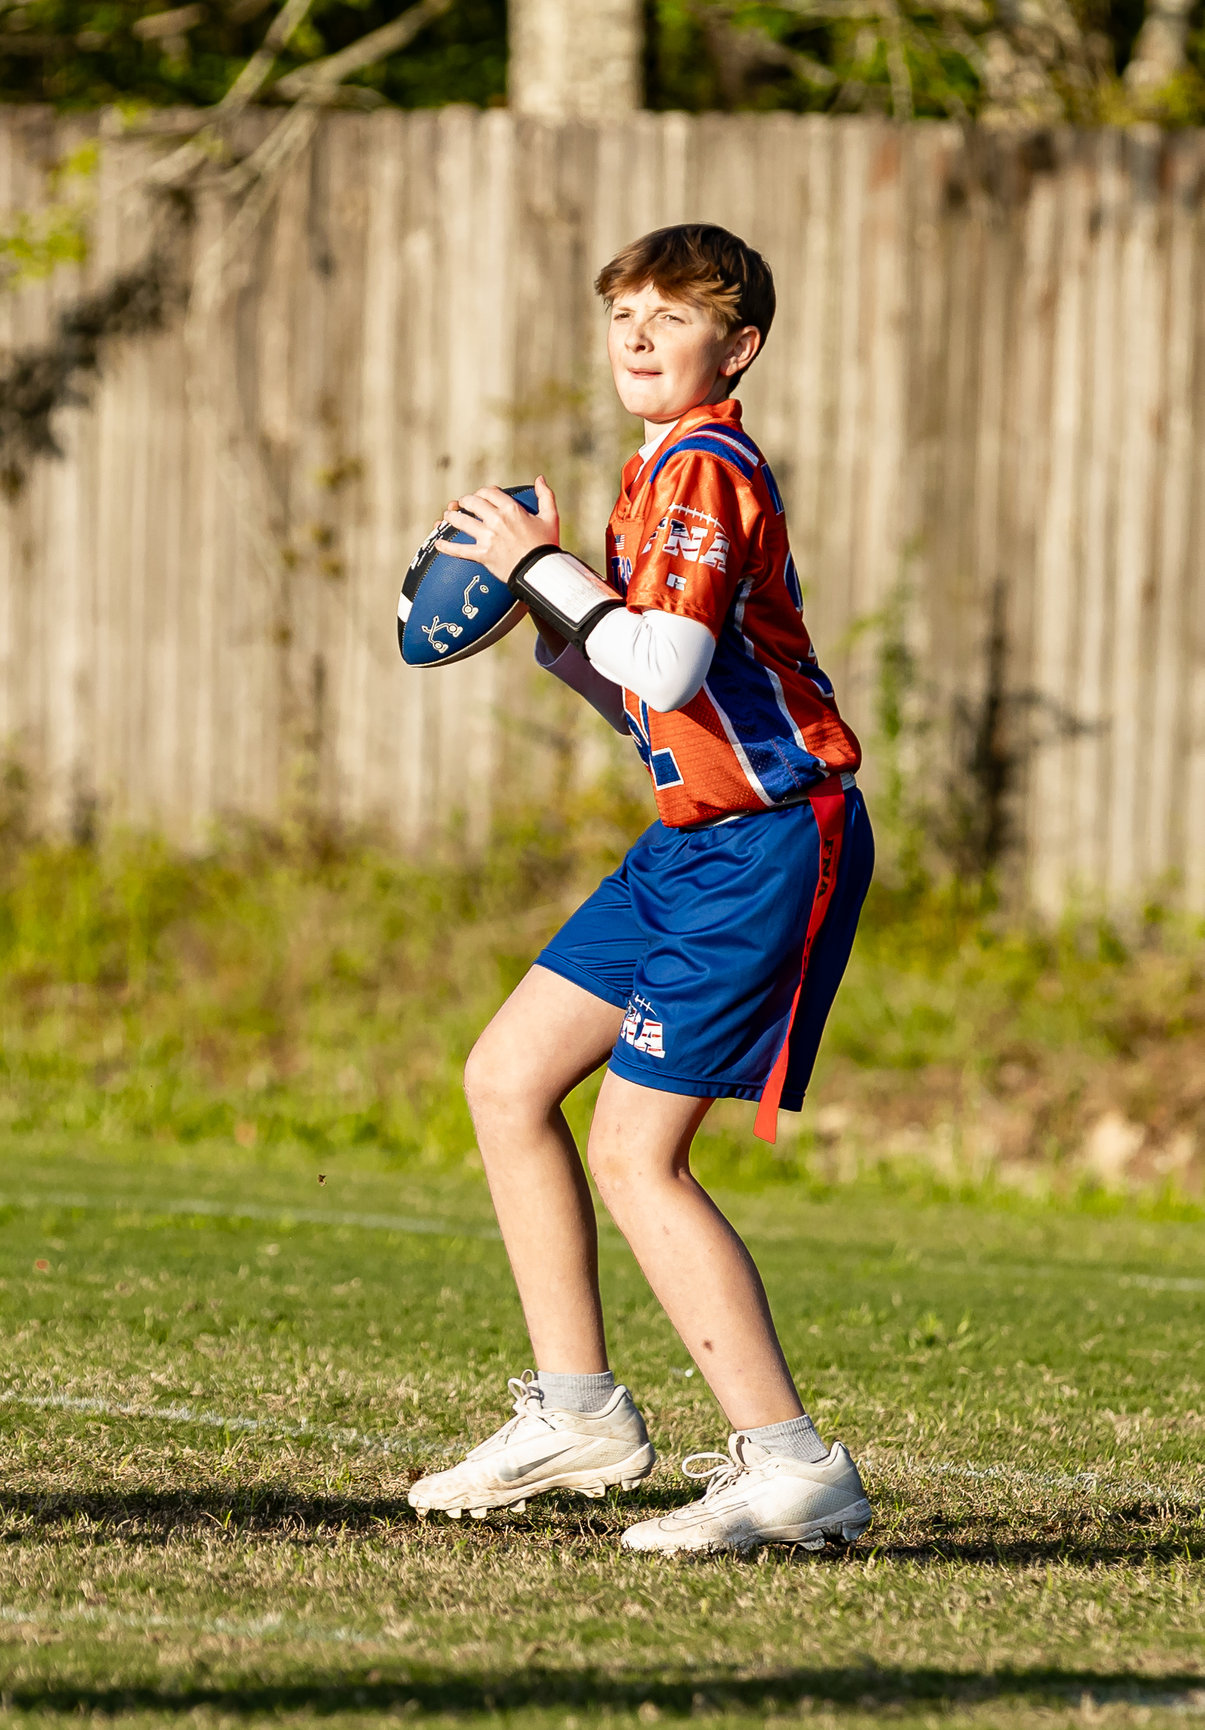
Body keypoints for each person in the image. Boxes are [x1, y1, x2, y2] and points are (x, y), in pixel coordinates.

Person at [406, 224, 875, 1556]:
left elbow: (665, 668)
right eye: (622, 310)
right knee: (504, 1079)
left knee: (633, 1151)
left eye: (671, 317)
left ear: (738, 349)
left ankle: (792, 1466)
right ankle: (579, 1413)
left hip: (767, 844)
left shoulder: (707, 466)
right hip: (686, 844)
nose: (635, 334)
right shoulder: (653, 473)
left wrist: (541, 570)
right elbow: (645, 691)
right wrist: (542, 621)